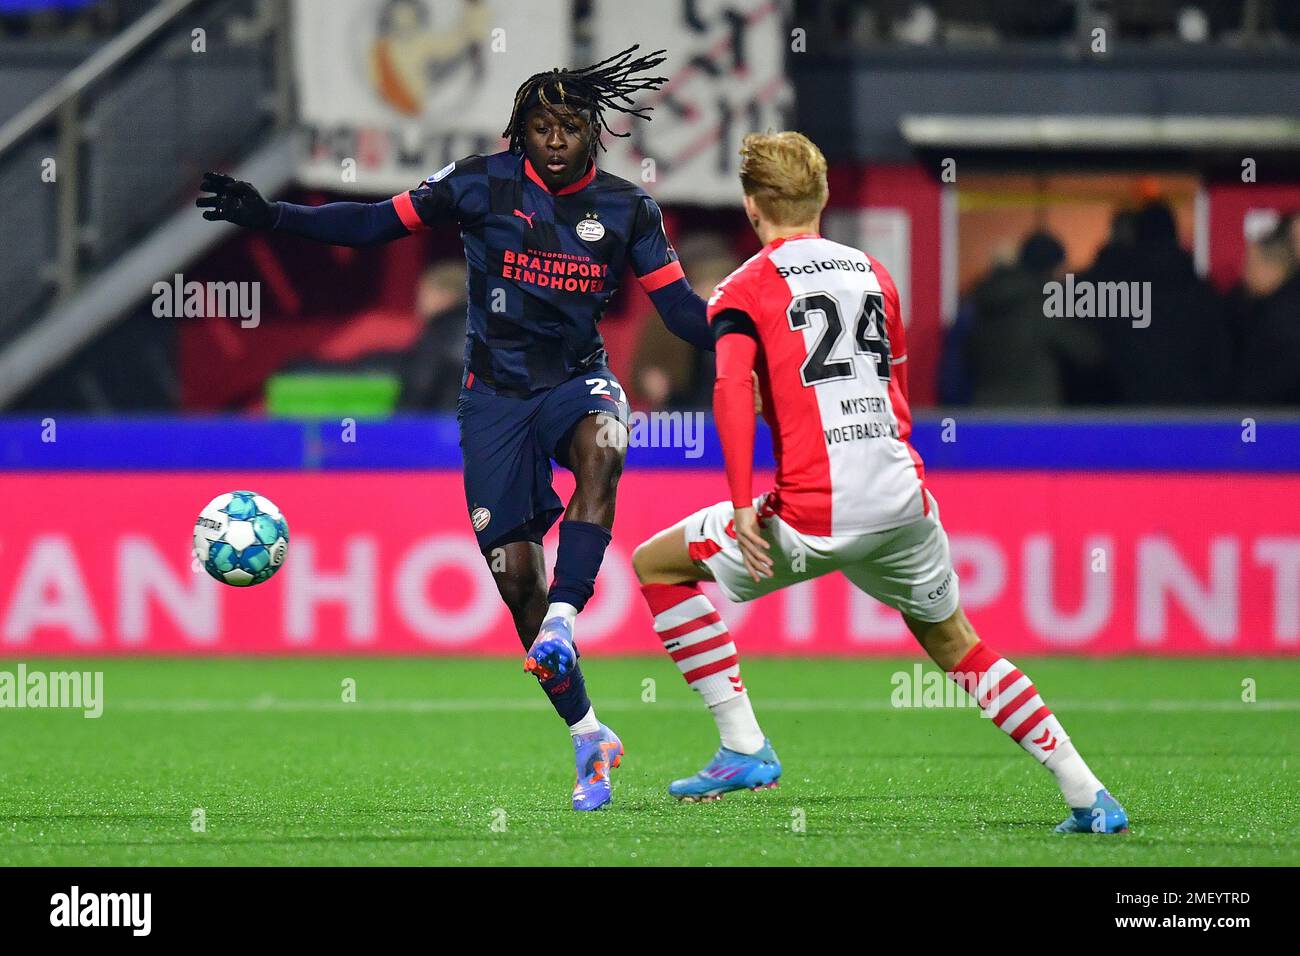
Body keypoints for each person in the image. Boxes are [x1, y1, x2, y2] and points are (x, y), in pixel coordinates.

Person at [197, 46, 717, 811]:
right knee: (515, 582)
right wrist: (270, 215)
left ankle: (569, 616)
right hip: (495, 400)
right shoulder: (478, 184)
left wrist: (752, 328)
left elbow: (679, 314)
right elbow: (376, 223)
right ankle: (589, 736)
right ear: (521, 129)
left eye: (569, 126)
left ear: (592, 132)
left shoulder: (628, 208)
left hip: (578, 380)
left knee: (607, 444)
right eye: (539, 125)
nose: (554, 138)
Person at [630, 131, 1128, 833]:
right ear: (822, 197)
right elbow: (888, 388)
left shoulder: (743, 288)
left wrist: (744, 505)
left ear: (751, 205)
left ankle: (743, 745)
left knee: (656, 564)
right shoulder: (874, 273)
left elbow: (732, 389)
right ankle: (1088, 794)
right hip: (901, 500)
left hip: (813, 511)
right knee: (960, 644)